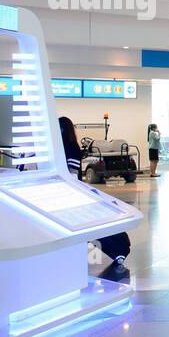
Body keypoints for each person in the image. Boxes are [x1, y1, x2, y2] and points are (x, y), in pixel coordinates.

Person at [59, 117, 129, 277]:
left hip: (70, 195)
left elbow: (71, 174)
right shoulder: (71, 147)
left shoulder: (67, 149)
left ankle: (114, 249)